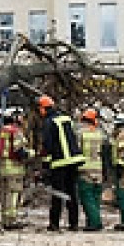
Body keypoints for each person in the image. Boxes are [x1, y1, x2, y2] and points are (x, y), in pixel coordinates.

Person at [37, 95, 83, 232]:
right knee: (72, 192)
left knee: (58, 193)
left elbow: (48, 145)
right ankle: (74, 223)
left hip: (59, 162)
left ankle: (54, 223)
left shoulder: (48, 122)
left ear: (44, 109)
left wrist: (45, 165)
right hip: (74, 161)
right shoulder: (66, 118)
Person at [0, 110, 32, 229]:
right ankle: (11, 220)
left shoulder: (4, 131)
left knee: (5, 195)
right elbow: (19, 151)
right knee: (14, 194)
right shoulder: (16, 131)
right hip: (14, 169)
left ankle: (5, 220)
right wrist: (32, 153)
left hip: (3, 168)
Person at [75, 108, 107, 232]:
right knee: (95, 197)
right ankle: (94, 221)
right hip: (98, 168)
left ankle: (94, 222)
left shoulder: (80, 133)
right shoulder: (100, 134)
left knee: (87, 197)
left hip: (85, 168)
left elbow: (76, 150)